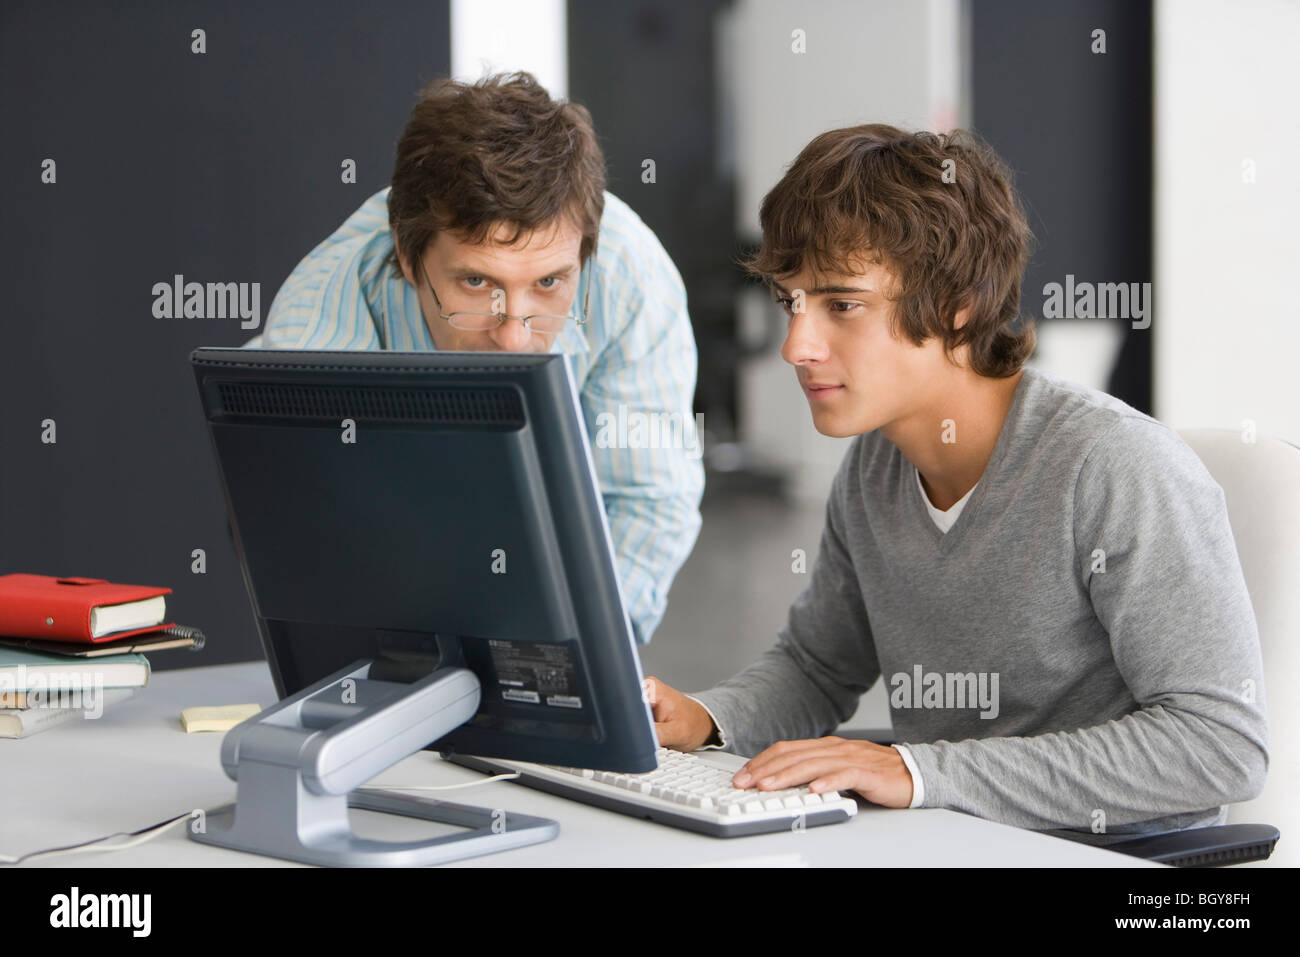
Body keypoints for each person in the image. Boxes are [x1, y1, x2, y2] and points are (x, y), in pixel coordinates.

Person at [646, 124, 1268, 844]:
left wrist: (921, 772)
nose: (796, 346)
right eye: (791, 302)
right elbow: (818, 667)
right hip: (948, 842)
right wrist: (706, 717)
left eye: (841, 305)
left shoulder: (1114, 465)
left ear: (957, 306)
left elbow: (1220, 744)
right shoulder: (876, 467)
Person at [249, 72, 703, 645]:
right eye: (474, 281)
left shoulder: (629, 275)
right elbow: (325, 542)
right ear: (409, 259)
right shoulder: (317, 322)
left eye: (548, 283)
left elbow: (646, 501)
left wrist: (582, 651)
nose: (514, 337)